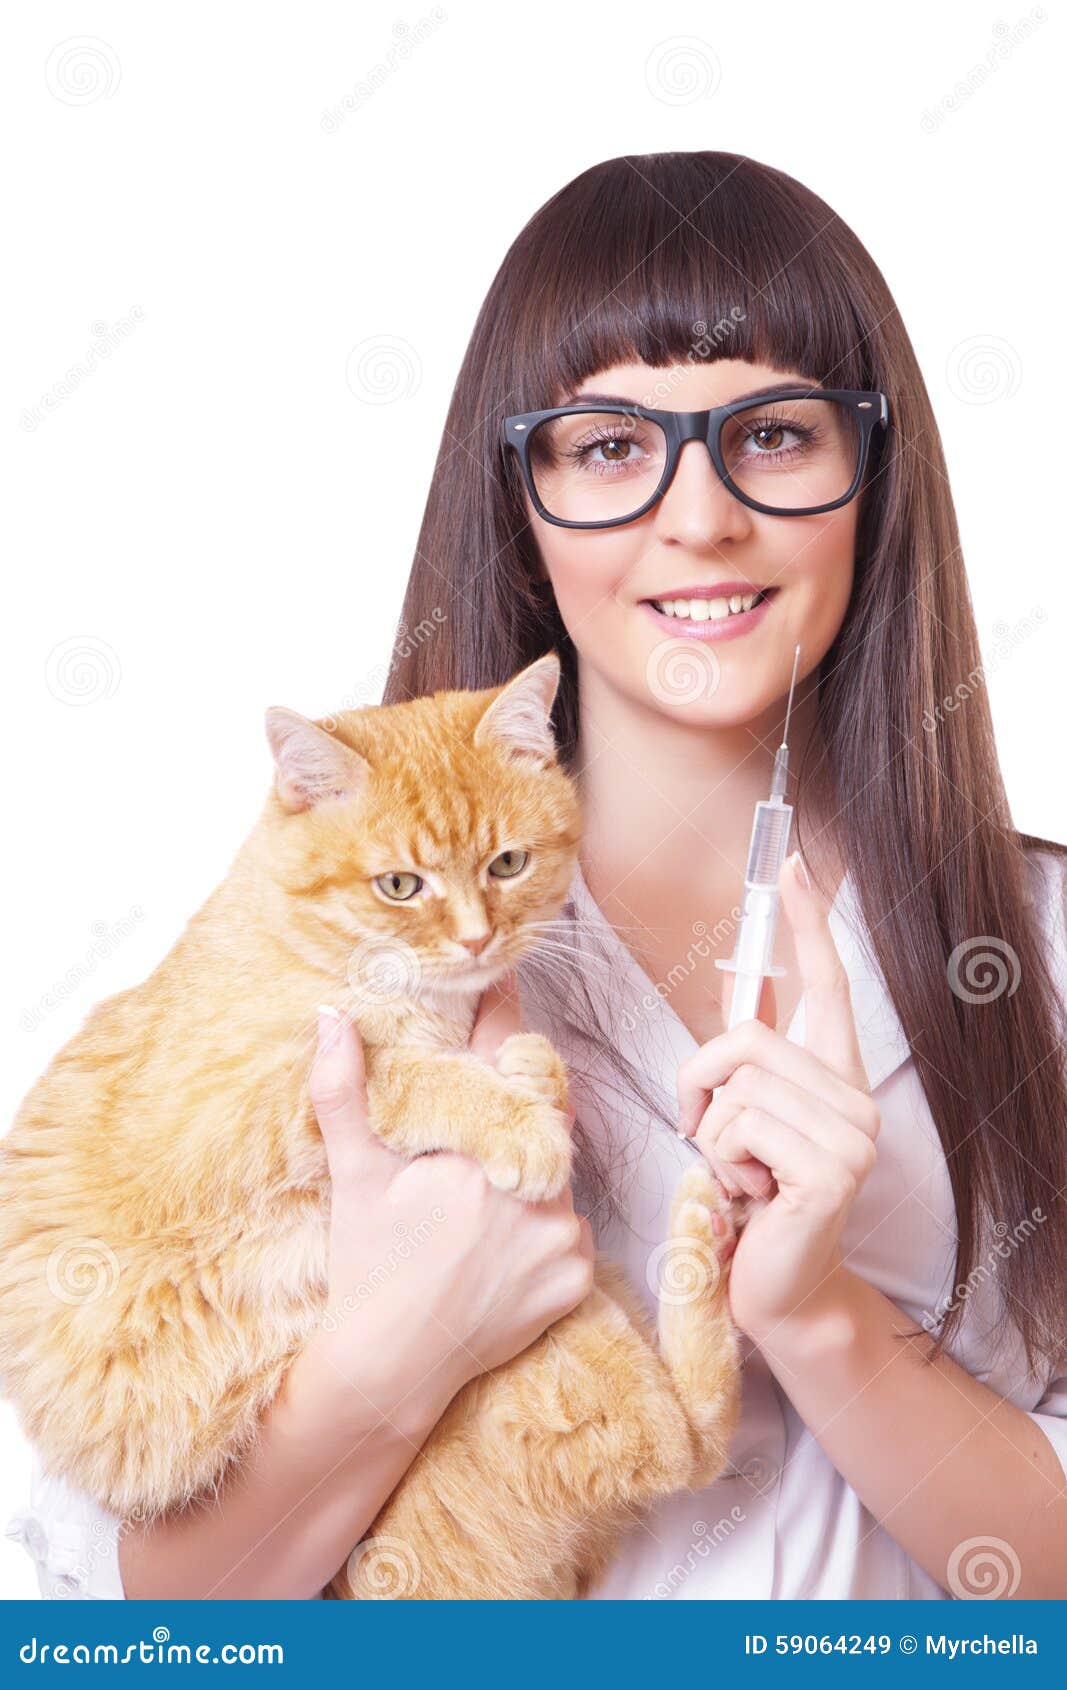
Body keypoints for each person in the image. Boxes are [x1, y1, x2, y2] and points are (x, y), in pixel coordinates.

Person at [8, 150, 1067, 1601]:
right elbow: (125, 1612)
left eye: (772, 433)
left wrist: (821, 1318)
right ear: (520, 496)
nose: (699, 519)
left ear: (874, 475)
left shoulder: (1038, 951)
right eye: (610, 446)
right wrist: (395, 1359)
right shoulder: (320, 956)